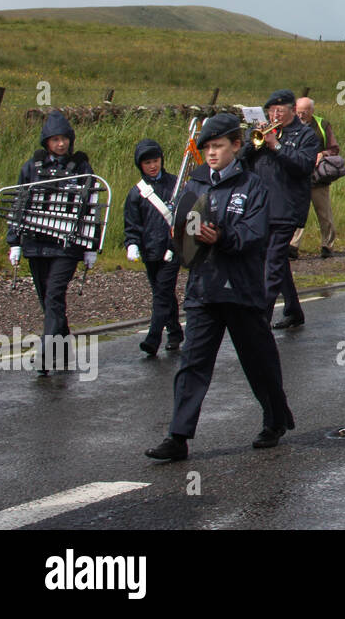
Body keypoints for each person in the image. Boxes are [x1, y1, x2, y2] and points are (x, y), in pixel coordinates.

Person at [145, 114, 294, 461]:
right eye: (207, 148)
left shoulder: (252, 185)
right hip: (203, 288)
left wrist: (223, 237)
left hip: (241, 289)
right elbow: (184, 232)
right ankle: (178, 436)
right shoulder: (195, 184)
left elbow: (256, 235)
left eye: (218, 146)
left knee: (258, 361)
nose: (211, 153)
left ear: (236, 147)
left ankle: (275, 419)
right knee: (192, 363)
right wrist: (179, 238)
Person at [6, 111, 95, 374]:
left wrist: (91, 246)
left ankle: (45, 355)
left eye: (64, 138)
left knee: (55, 295)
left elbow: (92, 207)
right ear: (46, 141)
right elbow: (19, 205)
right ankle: (64, 349)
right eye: (55, 139)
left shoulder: (81, 168)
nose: (61, 144)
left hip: (67, 244)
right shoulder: (30, 168)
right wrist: (15, 243)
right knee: (47, 299)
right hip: (35, 242)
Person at [238, 89, 319, 329]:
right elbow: (241, 160)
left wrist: (277, 146)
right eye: (271, 111)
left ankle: (260, 319)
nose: (274, 115)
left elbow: (303, 166)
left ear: (292, 110)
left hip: (287, 207)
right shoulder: (262, 133)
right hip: (261, 206)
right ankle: (294, 310)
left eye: (279, 111)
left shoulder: (306, 135)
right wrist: (254, 144)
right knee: (275, 261)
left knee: (271, 264)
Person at [123, 139, 183, 357]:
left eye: (155, 160)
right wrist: (132, 245)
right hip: (150, 252)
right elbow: (132, 224)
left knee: (161, 293)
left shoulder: (176, 185)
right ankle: (175, 333)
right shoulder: (136, 193)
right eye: (148, 162)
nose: (153, 166)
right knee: (164, 294)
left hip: (172, 250)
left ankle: (153, 337)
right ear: (141, 165)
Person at [288, 96, 340, 259]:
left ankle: (328, 246)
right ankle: (292, 246)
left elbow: (334, 148)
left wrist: (322, 154)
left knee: (324, 213)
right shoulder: (289, 125)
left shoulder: (322, 125)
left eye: (304, 112)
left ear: (312, 111)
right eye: (298, 112)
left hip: (318, 178)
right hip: (297, 177)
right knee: (296, 213)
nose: (301, 116)